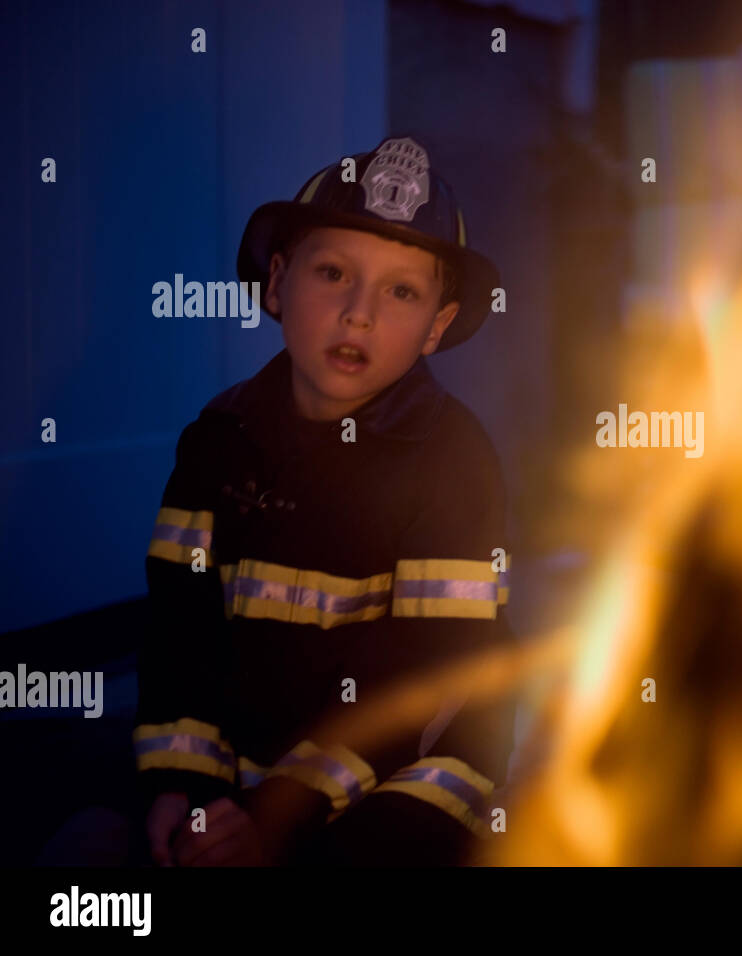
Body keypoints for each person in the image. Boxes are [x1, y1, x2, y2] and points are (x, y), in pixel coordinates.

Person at [134, 134, 513, 866]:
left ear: (437, 325)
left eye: (401, 291)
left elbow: (428, 674)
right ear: (277, 283)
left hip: (418, 747)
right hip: (259, 748)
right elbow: (179, 634)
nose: (358, 313)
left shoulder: (454, 458)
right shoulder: (217, 441)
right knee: (136, 836)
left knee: (391, 840)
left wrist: (284, 811)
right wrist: (184, 787)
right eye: (333, 272)